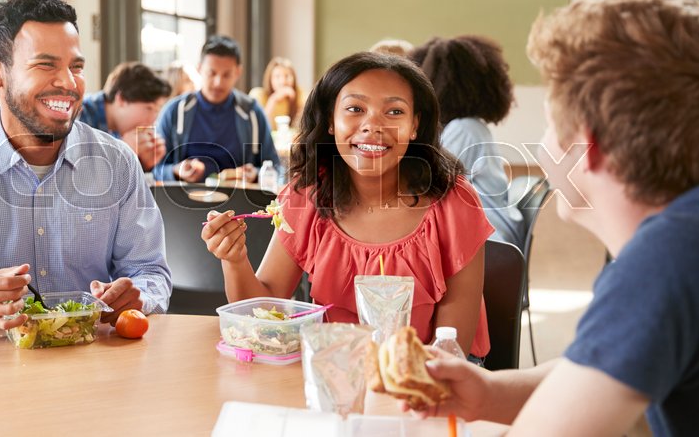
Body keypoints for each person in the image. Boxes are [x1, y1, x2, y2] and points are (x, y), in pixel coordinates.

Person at [411, 0, 699, 436]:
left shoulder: (666, 260)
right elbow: (597, 366)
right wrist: (487, 393)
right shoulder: (681, 240)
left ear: (587, 147)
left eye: (548, 122)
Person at [0, 0, 172, 335]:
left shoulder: (118, 162)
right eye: (46, 65)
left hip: (96, 366)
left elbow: (150, 272)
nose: (69, 83)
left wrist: (138, 296)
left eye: (76, 67)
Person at [203, 51, 494, 358]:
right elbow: (263, 315)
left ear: (415, 126)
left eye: (394, 112)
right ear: (331, 120)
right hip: (336, 374)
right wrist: (234, 259)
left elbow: (452, 348)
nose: (372, 125)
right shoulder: (308, 196)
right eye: (355, 108)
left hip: (430, 380)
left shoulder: (454, 200)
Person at [409, 35, 525, 248]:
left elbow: (429, 185)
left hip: (488, 240)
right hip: (488, 234)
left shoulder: (464, 129)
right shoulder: (470, 126)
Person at [152, 35, 280, 184]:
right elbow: (156, 169)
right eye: (211, 73)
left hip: (241, 202)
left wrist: (257, 174)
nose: (218, 83)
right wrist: (175, 171)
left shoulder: (252, 112)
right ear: (199, 68)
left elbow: (275, 167)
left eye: (226, 75)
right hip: (185, 200)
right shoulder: (174, 111)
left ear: (238, 72)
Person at [79, 61, 171, 171]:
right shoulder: (78, 115)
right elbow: (76, 177)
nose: (152, 120)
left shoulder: (121, 128)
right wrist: (120, 151)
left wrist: (144, 164)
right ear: (121, 99)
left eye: (157, 111)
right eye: (149, 108)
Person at [249, 57, 305, 129]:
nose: (283, 81)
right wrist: (273, 99)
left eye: (287, 76)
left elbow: (303, 126)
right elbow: (258, 127)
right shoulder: (258, 95)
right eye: (277, 76)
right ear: (270, 79)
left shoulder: (299, 94)